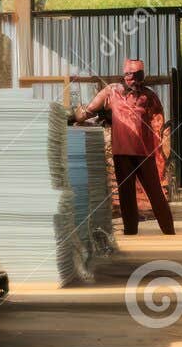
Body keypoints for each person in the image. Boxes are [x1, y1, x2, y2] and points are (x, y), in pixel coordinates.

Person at [74, 58, 175, 236]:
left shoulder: (149, 97)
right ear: (125, 76)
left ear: (143, 76)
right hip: (122, 152)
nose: (135, 80)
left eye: (138, 76)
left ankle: (169, 231)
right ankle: (130, 232)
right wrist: (73, 117)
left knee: (155, 193)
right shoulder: (112, 92)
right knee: (126, 194)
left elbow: (159, 123)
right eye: (130, 75)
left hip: (145, 152)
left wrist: (160, 151)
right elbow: (89, 110)